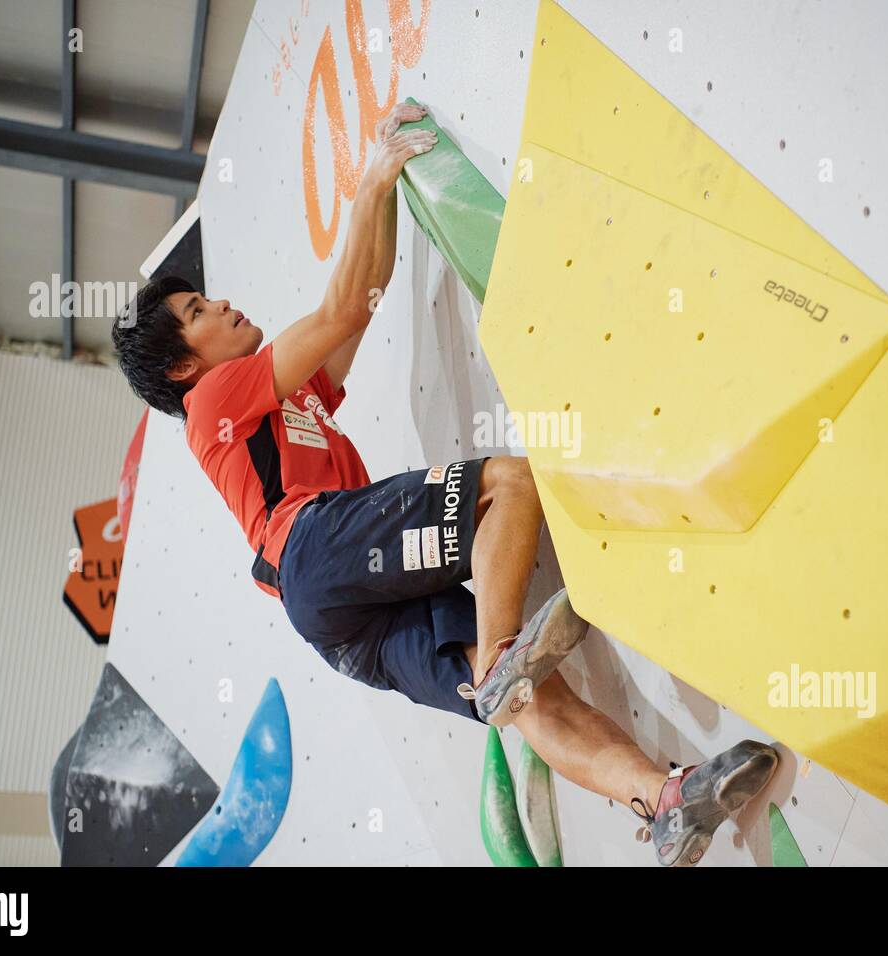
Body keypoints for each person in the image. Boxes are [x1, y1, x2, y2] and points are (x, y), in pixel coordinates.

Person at [111, 101, 777, 865]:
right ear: (182, 366)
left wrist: (390, 190)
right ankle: (499, 665)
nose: (223, 304)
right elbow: (332, 311)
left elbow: (358, 304)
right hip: (315, 554)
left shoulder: (280, 400)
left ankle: (664, 802)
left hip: (338, 618)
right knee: (508, 487)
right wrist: (372, 177)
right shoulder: (211, 401)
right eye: (199, 311)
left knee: (531, 701)